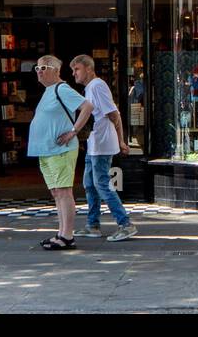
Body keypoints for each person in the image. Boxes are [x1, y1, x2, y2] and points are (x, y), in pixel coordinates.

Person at [70, 54, 137, 241]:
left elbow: (114, 115)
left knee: (102, 184)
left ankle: (125, 223)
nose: (74, 74)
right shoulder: (91, 88)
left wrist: (121, 141)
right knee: (90, 184)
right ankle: (93, 225)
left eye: (77, 69)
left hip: (101, 144)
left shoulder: (97, 86)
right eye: (73, 70)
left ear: (89, 69)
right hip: (94, 144)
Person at [30, 55, 93, 250]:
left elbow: (87, 106)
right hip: (47, 150)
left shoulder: (61, 89)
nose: (39, 71)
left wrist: (73, 131)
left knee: (63, 191)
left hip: (60, 150)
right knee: (57, 192)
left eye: (44, 67)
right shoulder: (48, 91)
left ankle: (67, 235)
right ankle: (61, 232)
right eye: (37, 67)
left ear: (56, 71)